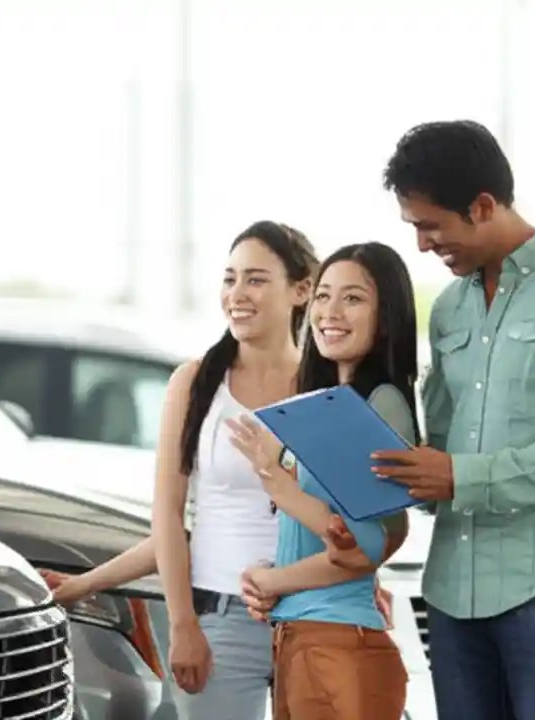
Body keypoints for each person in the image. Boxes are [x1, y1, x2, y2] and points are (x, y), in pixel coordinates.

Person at [370, 119, 535, 720]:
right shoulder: (452, 306)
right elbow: (438, 446)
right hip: (452, 591)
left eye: (430, 225)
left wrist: (462, 478)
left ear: (483, 206)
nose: (423, 245)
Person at [226, 242, 419, 720]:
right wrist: (273, 575)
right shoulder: (333, 403)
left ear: (386, 315)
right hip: (304, 641)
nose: (331, 312)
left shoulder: (378, 403)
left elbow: (364, 545)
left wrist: (273, 576)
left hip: (334, 644)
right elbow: (377, 532)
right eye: (324, 296)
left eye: (353, 298)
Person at [150, 220, 320, 720]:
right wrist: (183, 624)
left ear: (301, 290)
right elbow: (168, 514)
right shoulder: (196, 383)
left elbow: (343, 517)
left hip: (313, 612)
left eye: (256, 279)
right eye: (230, 278)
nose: (237, 294)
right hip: (217, 617)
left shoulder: (325, 385)